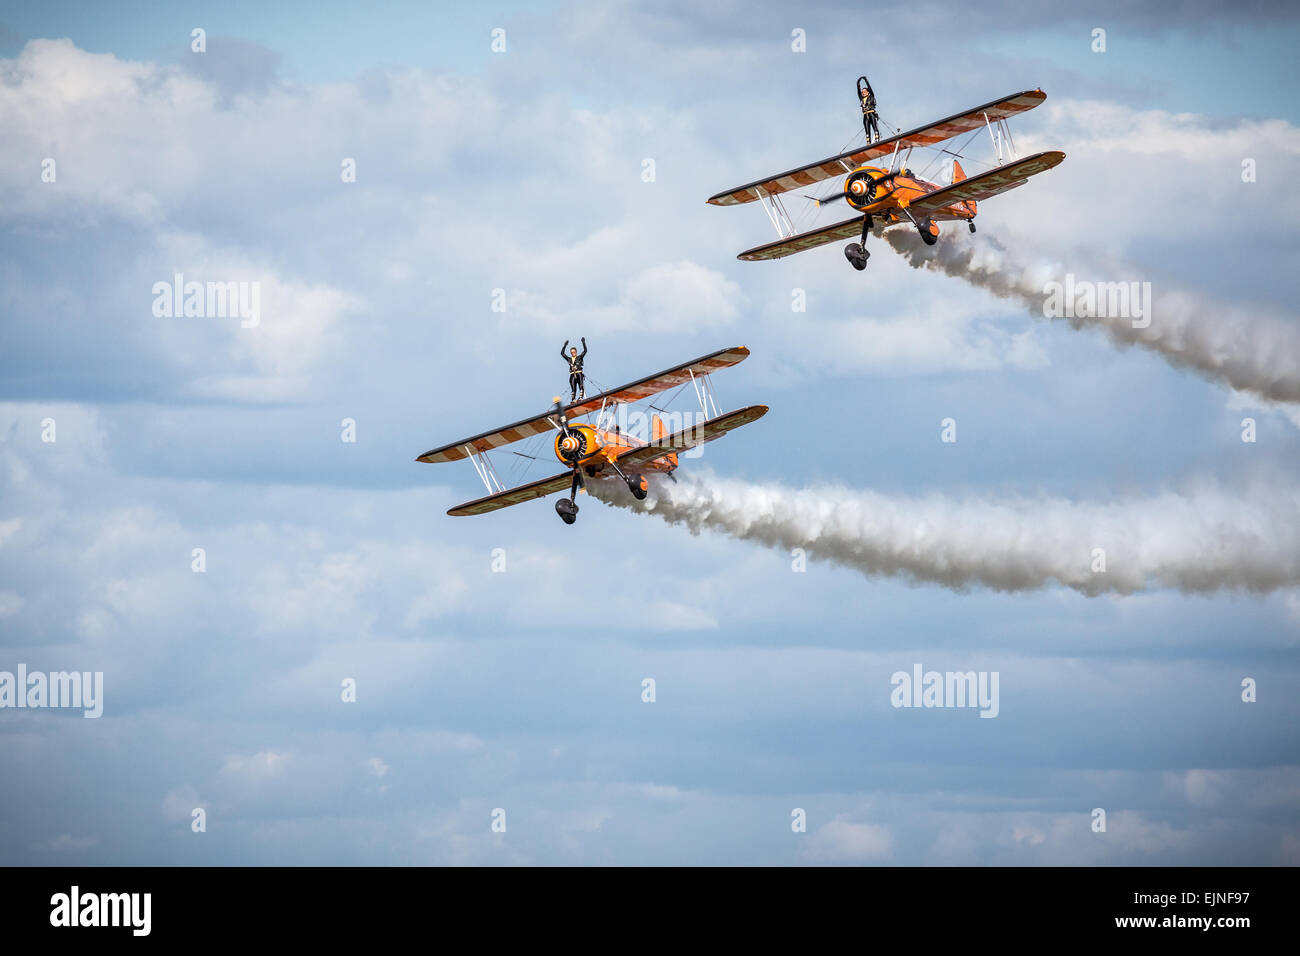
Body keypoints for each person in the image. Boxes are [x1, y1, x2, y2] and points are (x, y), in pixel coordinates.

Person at [561, 337, 587, 403]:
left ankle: (581, 397)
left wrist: (583, 342)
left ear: (576, 352)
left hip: (579, 373)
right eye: (572, 352)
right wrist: (565, 345)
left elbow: (585, 351)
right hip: (572, 374)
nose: (573, 353)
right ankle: (573, 399)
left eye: (574, 352)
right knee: (573, 388)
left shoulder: (579, 357)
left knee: (581, 385)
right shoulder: (569, 359)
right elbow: (562, 354)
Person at [858, 76, 880, 144]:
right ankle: (868, 142)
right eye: (862, 92)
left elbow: (870, 88)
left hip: (871, 114)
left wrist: (866, 80)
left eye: (864, 91)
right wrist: (858, 83)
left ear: (868, 92)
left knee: (874, 128)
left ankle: (877, 139)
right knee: (867, 131)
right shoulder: (861, 99)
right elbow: (858, 91)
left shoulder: (871, 96)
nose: (863, 93)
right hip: (865, 115)